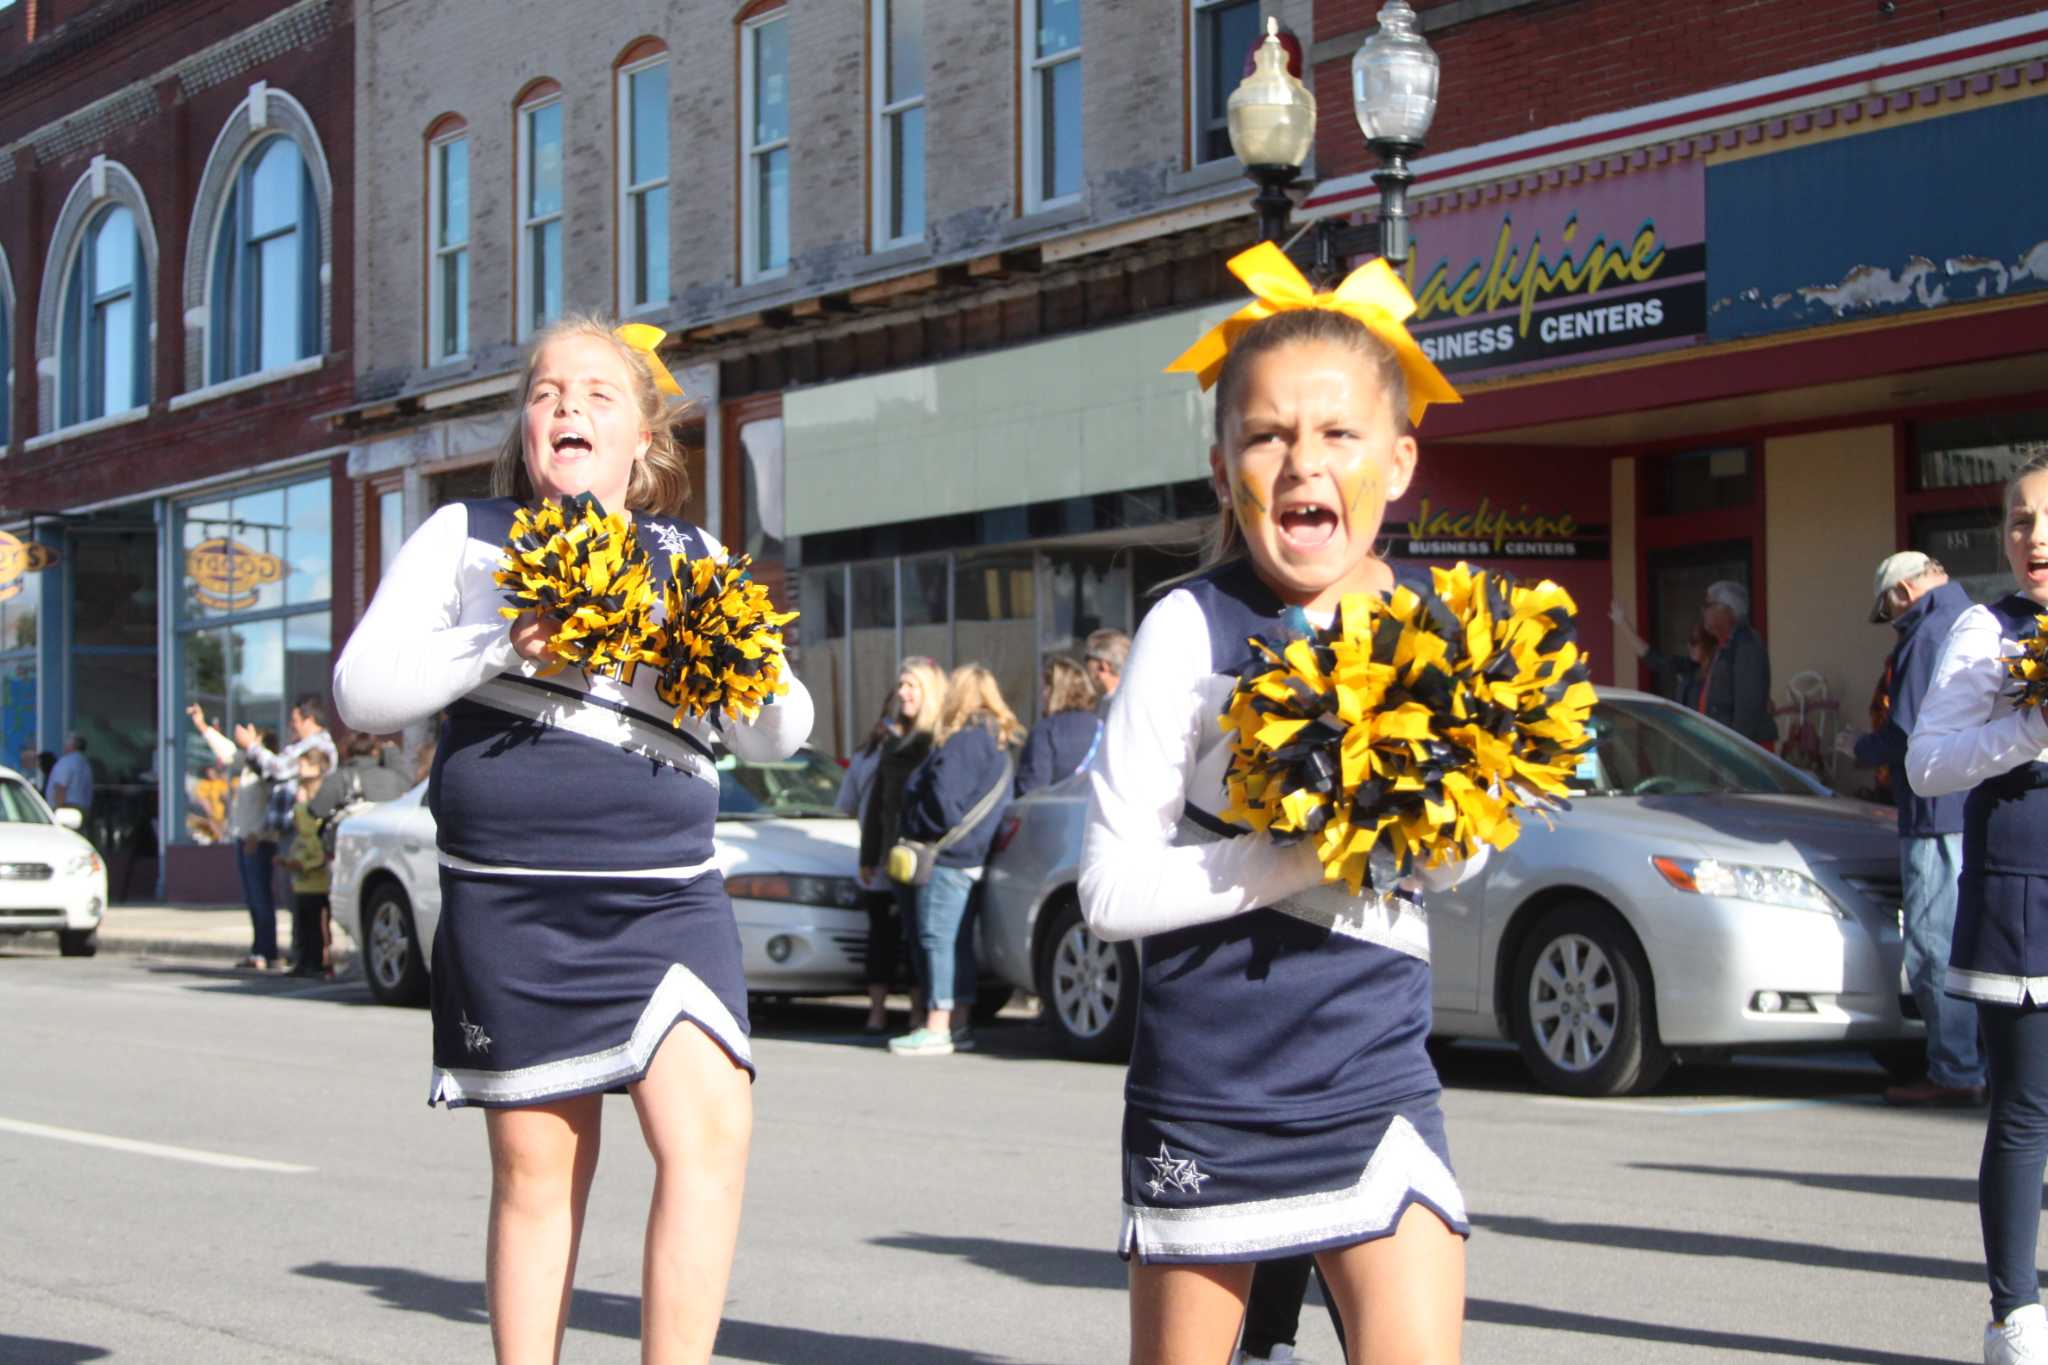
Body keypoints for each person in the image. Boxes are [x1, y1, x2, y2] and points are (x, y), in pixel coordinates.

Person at [331, 313, 813, 1365]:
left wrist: (730, 656)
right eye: (547, 393)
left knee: (711, 1138)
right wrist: (503, 642)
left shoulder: (692, 554)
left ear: (644, 438)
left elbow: (782, 732)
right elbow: (361, 689)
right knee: (539, 1177)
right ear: (525, 426)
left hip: (668, 902)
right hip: (518, 906)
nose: (567, 409)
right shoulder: (466, 535)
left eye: (598, 395)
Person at [1079, 242, 1480, 1365]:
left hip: (1374, 1074)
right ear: (1223, 471)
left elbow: (1457, 865)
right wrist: (1300, 854)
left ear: (1399, 460)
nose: (1304, 461)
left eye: (1339, 433)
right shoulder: (1187, 628)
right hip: (1213, 1088)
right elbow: (1108, 890)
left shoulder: (1438, 631)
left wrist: (1439, 821)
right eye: (1266, 436)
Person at [1906, 451, 2048, 1365]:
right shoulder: (1986, 632)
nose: (2035, 536)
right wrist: (2030, 726)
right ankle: (2016, 1318)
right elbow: (1927, 765)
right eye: (2021, 519)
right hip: (2021, 892)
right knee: (2026, 1109)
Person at [1838, 551, 1984, 1107]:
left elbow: (1905, 733)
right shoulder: (1972, 618)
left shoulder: (1925, 636)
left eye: (1890, 610)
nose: (1893, 620)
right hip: (1972, 804)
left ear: (1901, 593)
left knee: (1932, 945)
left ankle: (1955, 1070)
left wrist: (1858, 747)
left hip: (1935, 810)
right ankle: (1978, 1063)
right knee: (1973, 942)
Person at [889, 662, 1021, 1057]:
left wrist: (918, 822)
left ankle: (937, 1025)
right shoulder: (997, 739)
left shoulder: (964, 740)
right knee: (957, 942)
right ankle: (958, 1023)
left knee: (936, 940)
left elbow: (943, 804)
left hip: (947, 858)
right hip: (973, 856)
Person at [857, 657, 949, 1034]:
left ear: (929, 692)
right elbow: (878, 804)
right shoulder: (892, 741)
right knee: (893, 932)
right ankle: (886, 1013)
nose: (902, 693)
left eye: (912, 685)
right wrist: (869, 855)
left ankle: (922, 1015)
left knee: (923, 936)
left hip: (928, 854)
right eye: (901, 685)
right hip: (895, 855)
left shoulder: (939, 739)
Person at [188, 705, 285, 970]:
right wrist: (203, 726)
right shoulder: (248, 768)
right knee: (252, 897)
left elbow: (272, 806)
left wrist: (259, 834)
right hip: (244, 837)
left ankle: (267, 951)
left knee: (260, 896)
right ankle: (259, 950)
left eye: (254, 737)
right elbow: (227, 751)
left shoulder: (268, 769)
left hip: (259, 840)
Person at [1698, 581, 1777, 747]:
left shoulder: (1746, 644)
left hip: (1743, 751)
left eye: (1708, 605)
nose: (1703, 611)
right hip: (1724, 745)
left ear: (1729, 609)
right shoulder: (1724, 646)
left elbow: (1748, 708)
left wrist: (1734, 750)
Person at [279, 746, 336, 978]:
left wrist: (309, 863)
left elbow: (321, 840)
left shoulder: (326, 797)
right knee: (302, 922)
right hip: (302, 876)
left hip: (319, 874)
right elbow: (300, 838)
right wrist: (291, 860)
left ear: (318, 767)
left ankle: (321, 962)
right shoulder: (300, 801)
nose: (300, 769)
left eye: (304, 764)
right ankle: (304, 961)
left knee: (320, 924)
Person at [1016, 655, 1102, 795]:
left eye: (1045, 687)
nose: (1042, 694)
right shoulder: (1101, 726)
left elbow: (1033, 790)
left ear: (1054, 691)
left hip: (1057, 808)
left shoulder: (1046, 731)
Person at [1608, 603, 1716, 709]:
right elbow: (1652, 657)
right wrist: (1622, 622)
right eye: (1689, 641)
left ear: (1708, 643)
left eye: (1694, 641)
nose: (1689, 646)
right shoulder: (1687, 667)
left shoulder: (1719, 673)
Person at [236, 694, 338, 787]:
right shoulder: (319, 742)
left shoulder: (317, 744)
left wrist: (252, 745)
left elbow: (279, 767)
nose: (291, 725)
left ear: (309, 721)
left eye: (295, 721)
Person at [44, 732, 93, 817]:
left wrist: (57, 812)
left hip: (66, 809)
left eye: (66, 744)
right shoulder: (85, 764)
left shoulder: (66, 762)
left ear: (71, 745)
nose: (64, 746)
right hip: (82, 809)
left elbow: (60, 788)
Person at [1086, 628, 1131, 709]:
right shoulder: (1132, 699)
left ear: (1103, 666)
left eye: (1087, 658)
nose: (1085, 664)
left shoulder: (1120, 706)